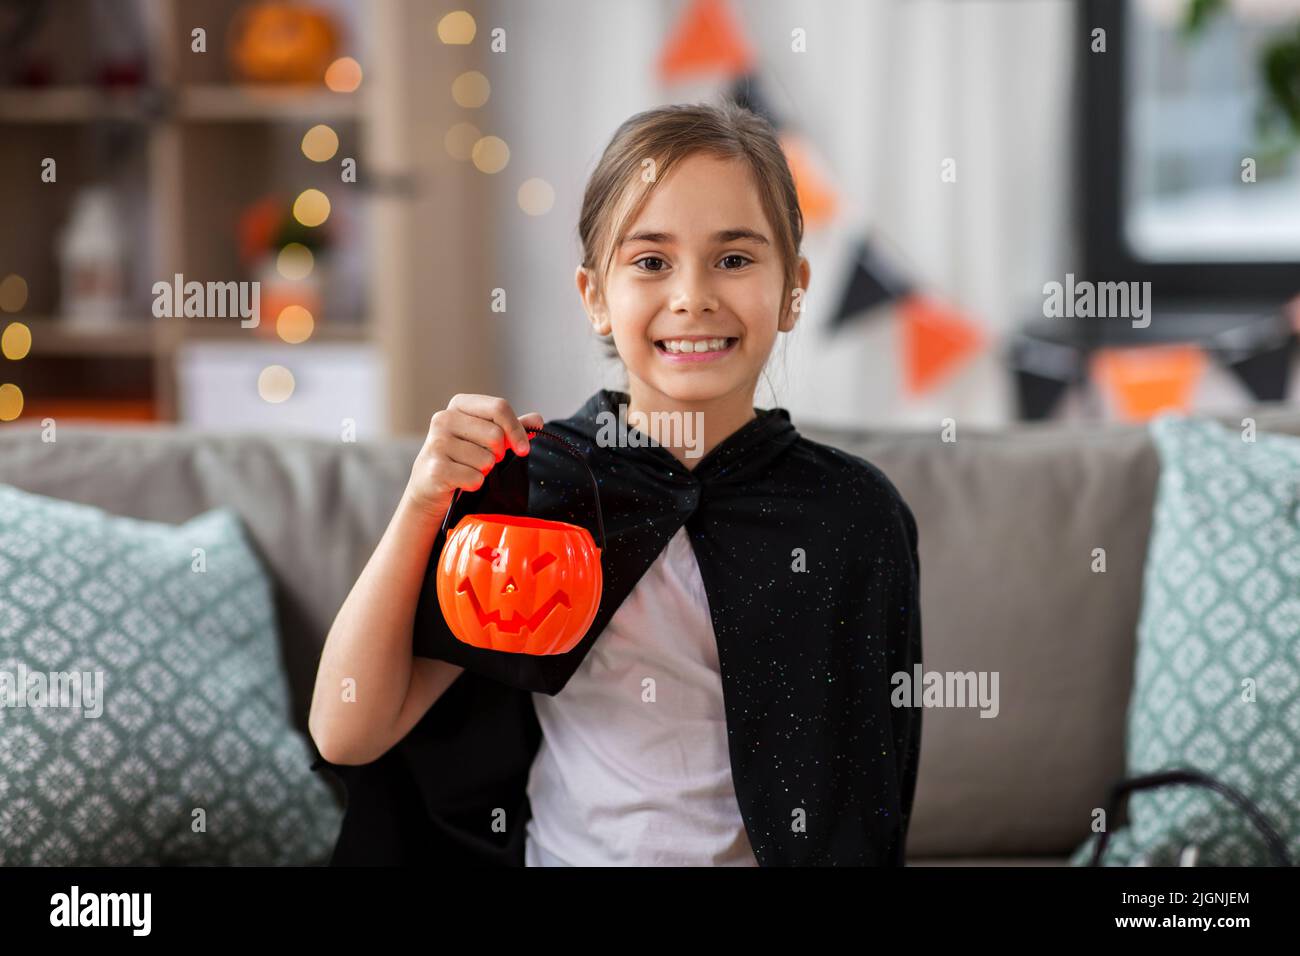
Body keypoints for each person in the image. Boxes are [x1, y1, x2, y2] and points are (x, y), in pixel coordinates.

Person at [308, 101, 922, 866]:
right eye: (650, 261)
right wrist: (424, 505)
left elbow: (870, 790)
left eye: (734, 259)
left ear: (794, 289)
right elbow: (348, 729)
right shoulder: (534, 491)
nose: (692, 296)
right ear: (595, 294)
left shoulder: (851, 515)